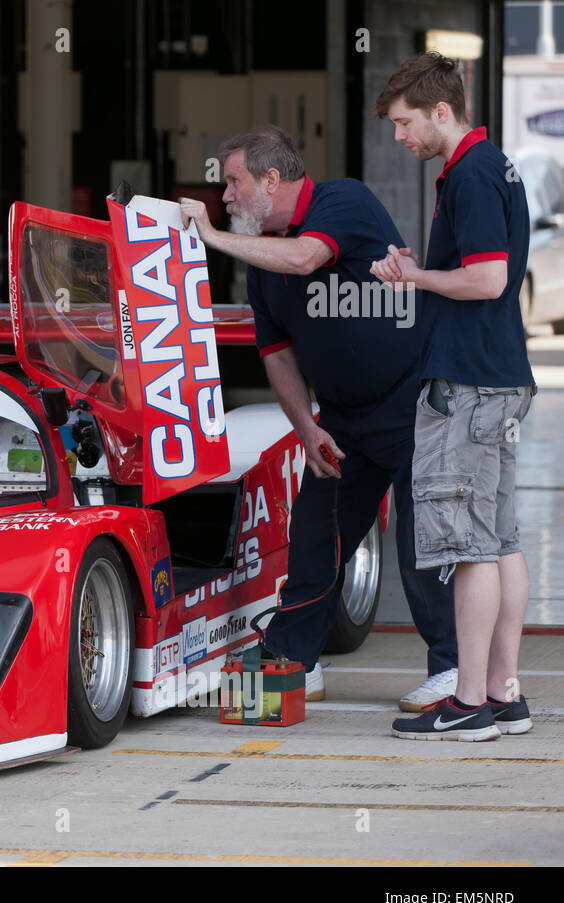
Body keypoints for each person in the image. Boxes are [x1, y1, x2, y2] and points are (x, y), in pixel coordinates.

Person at [180, 125, 457, 708]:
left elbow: (309, 257)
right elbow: (276, 354)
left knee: (421, 541)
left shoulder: (344, 200)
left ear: (272, 179)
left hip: (412, 401)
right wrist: (307, 430)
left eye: (233, 181)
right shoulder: (262, 258)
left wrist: (212, 236)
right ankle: (295, 662)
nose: (224, 195)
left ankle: (454, 669)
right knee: (314, 536)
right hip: (343, 419)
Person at [372, 54, 535, 741]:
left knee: (468, 546)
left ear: (441, 111)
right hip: (499, 377)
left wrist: (415, 276)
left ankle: (469, 703)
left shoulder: (468, 174)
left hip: (467, 384)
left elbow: (488, 278)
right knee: (499, 541)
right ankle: (503, 690)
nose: (399, 137)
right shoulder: (493, 165)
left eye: (405, 123)